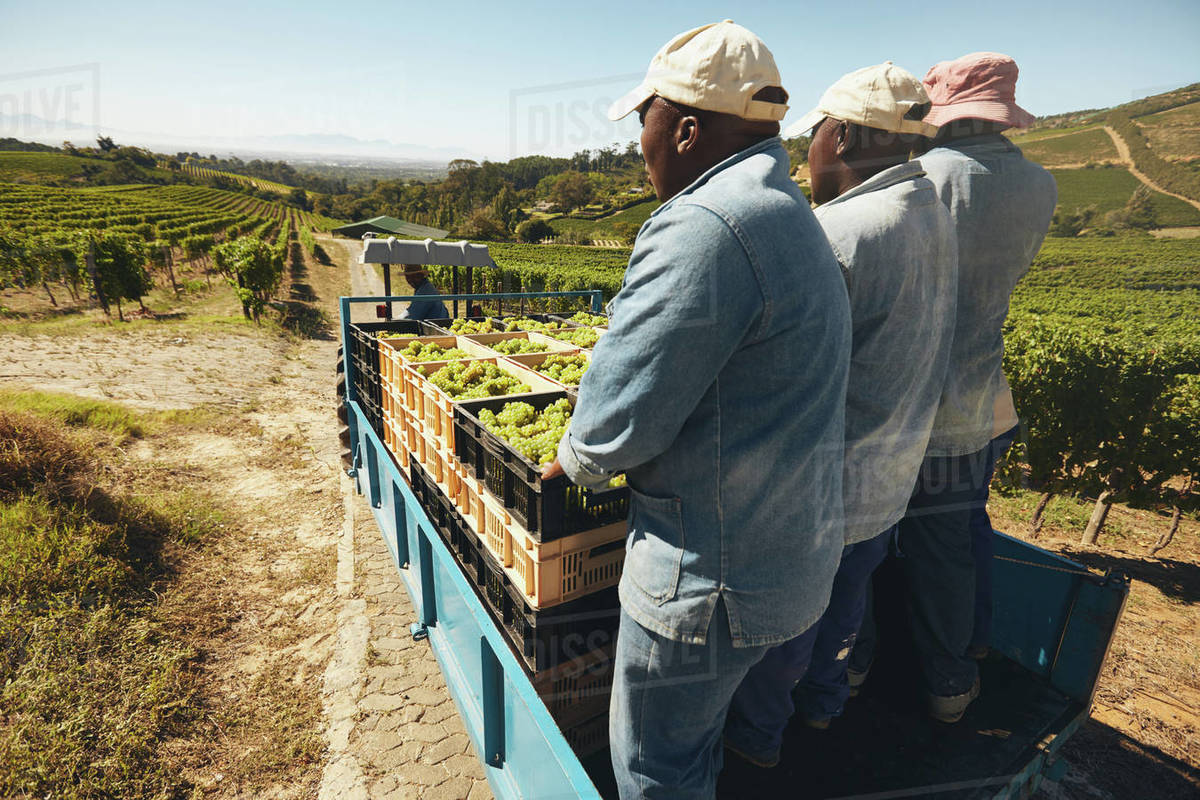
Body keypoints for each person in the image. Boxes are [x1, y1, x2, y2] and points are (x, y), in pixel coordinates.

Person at [540, 20, 851, 799]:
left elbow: (619, 412)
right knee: (697, 740)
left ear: (682, 127)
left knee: (656, 768)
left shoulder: (706, 225)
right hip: (786, 558)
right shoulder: (780, 208)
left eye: (642, 121)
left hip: (708, 583)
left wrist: (571, 461)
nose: (637, 145)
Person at [723, 63, 957, 761]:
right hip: (889, 477)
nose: (807, 153)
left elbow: (774, 370)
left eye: (816, 135)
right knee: (844, 608)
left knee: (784, 628)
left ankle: (758, 740)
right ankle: (825, 707)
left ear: (845, 135)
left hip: (822, 485)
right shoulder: (933, 215)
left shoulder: (842, 234)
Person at [899, 52, 1056, 722]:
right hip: (987, 396)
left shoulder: (923, 181)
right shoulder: (1038, 183)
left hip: (927, 410)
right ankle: (977, 642)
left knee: (934, 548)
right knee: (967, 529)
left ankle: (948, 687)